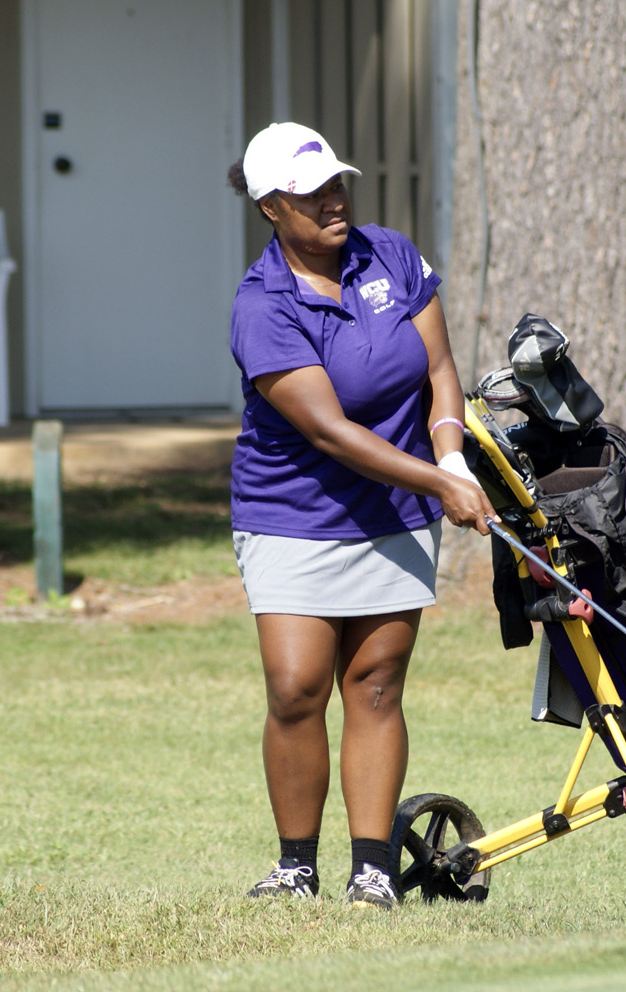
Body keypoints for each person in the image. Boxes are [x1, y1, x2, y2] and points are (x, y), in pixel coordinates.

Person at [226, 122, 495, 909]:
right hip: (290, 513)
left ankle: (372, 868)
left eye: (336, 184)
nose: (334, 202)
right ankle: (295, 866)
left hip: (397, 506)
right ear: (272, 207)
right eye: (312, 194)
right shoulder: (262, 306)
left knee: (375, 684)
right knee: (295, 686)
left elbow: (439, 370)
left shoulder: (390, 255)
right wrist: (440, 483)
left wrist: (448, 460)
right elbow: (329, 431)